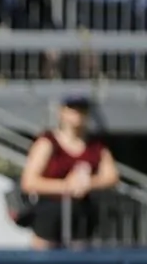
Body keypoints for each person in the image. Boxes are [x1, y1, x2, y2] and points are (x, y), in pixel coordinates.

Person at [20, 95, 120, 249]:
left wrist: (87, 183)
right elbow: (29, 182)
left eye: (81, 110)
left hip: (81, 216)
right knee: (43, 261)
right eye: (72, 110)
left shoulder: (95, 146)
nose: (77, 114)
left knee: (79, 263)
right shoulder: (48, 142)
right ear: (62, 113)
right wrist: (66, 186)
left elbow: (111, 176)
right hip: (49, 215)